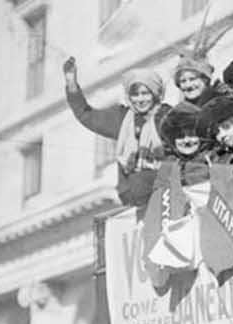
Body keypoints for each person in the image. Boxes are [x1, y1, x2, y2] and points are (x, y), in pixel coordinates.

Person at [63, 58, 170, 210]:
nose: (140, 100)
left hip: (164, 195)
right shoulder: (121, 118)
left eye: (145, 93)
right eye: (135, 94)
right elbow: (86, 115)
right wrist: (71, 82)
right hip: (133, 200)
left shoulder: (168, 117)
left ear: (155, 94)